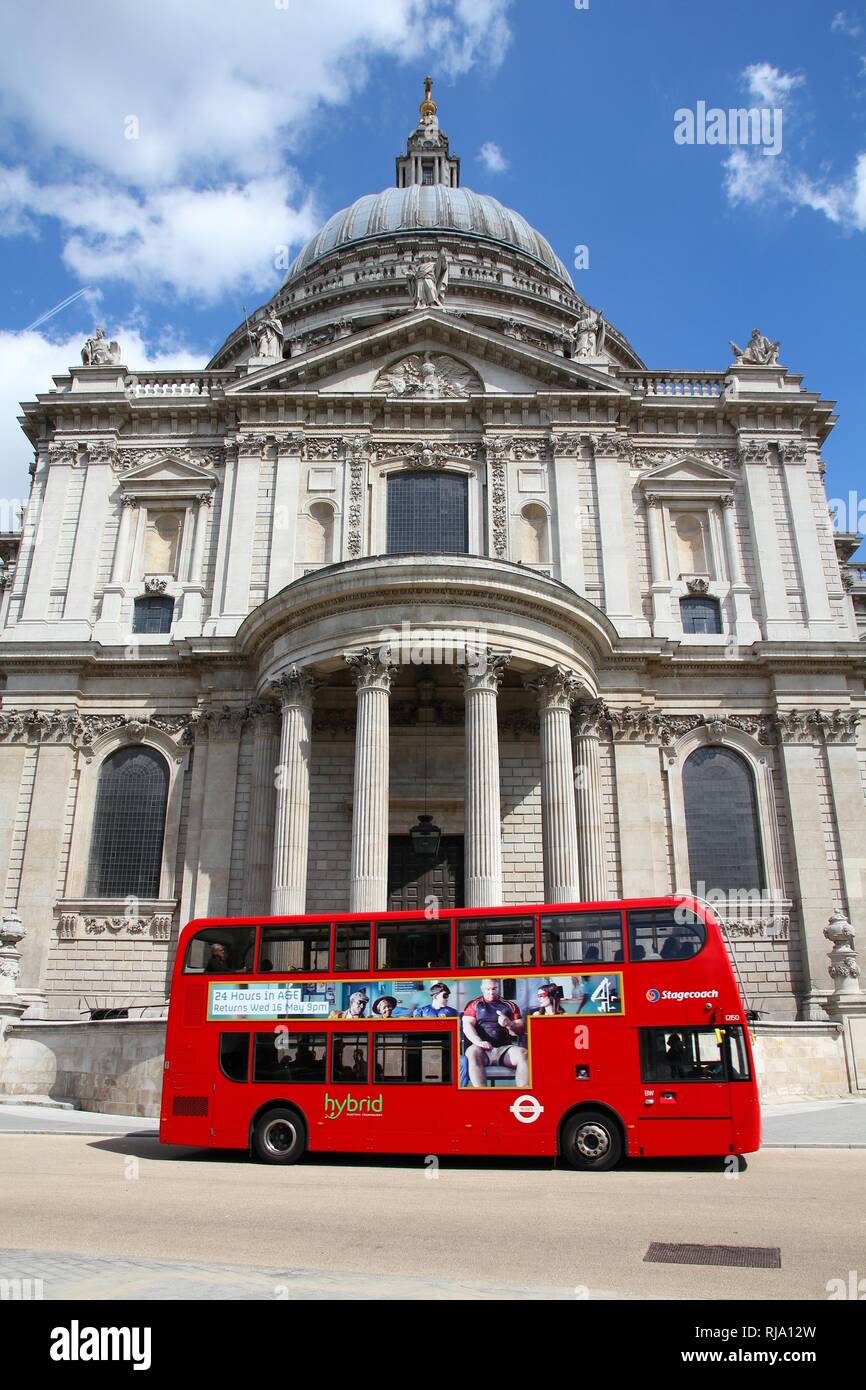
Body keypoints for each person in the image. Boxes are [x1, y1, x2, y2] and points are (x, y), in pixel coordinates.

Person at [462, 978, 528, 1087]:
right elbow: (467, 1026)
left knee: (524, 1054)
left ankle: (523, 1094)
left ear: (498, 988)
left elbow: (521, 1029)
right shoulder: (474, 1004)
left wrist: (509, 1024)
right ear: (482, 988)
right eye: (488, 989)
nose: (491, 992)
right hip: (481, 1049)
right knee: (471, 1053)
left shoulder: (509, 1005)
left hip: (504, 1049)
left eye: (494, 989)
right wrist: (479, 1042)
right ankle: (481, 1095)